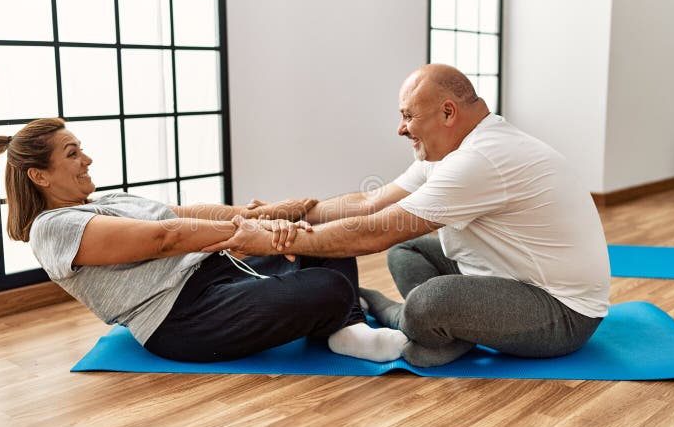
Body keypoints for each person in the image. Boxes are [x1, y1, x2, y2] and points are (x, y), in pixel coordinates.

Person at [207, 64, 610, 367]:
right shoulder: (453, 150)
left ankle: (404, 318)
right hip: (505, 277)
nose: (401, 129)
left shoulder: (480, 159)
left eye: (408, 116)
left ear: (448, 113)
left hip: (561, 311)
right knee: (408, 252)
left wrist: (279, 240)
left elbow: (374, 232)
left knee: (425, 304)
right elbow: (370, 203)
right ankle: (456, 332)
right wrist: (294, 210)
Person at [0, 118, 408, 363]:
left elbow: (187, 213)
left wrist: (268, 214)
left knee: (322, 239)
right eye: (72, 153)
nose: (87, 158)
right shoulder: (52, 228)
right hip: (183, 317)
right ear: (40, 176)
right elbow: (165, 238)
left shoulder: (107, 199)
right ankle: (344, 309)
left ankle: (345, 327)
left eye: (81, 148)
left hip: (218, 273)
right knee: (327, 283)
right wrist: (255, 234)